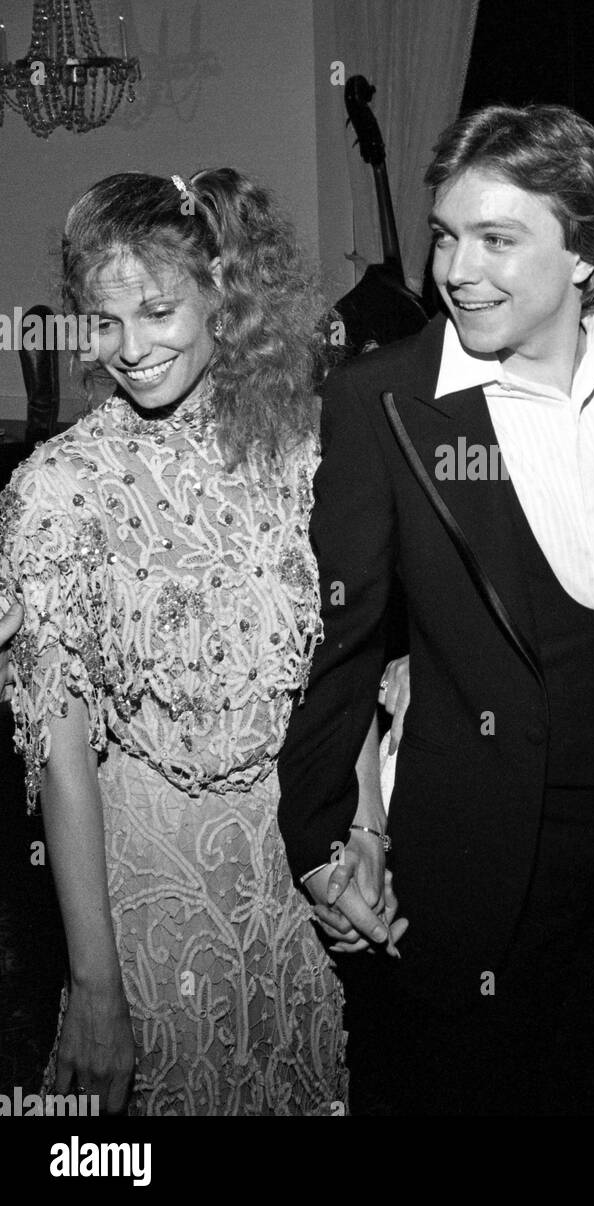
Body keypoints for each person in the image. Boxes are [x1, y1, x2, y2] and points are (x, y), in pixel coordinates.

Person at [277, 103, 594, 1116]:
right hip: (480, 863)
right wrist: (328, 836)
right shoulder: (385, 399)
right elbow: (340, 642)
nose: (456, 270)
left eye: (497, 240)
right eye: (446, 236)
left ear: (587, 257)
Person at [0, 170, 349, 1115]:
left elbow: (345, 672)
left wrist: (360, 840)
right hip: (149, 910)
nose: (131, 349)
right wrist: (94, 984)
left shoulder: (299, 453)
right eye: (105, 322)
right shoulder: (59, 490)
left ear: (222, 297)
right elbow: (61, 760)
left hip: (295, 897)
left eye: (158, 312)